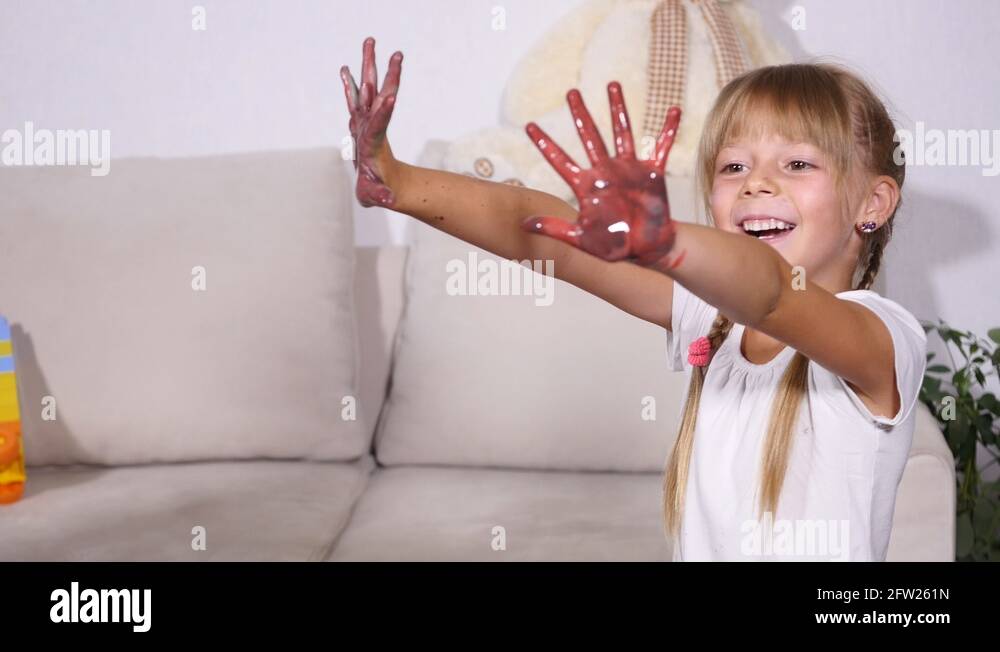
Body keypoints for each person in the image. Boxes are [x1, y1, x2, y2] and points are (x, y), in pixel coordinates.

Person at [339, 36, 927, 561]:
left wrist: (664, 241)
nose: (756, 183)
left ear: (873, 204)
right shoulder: (710, 318)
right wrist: (398, 181)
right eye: (734, 166)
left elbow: (772, 293)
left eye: (797, 163)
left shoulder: (883, 339)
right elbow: (540, 230)